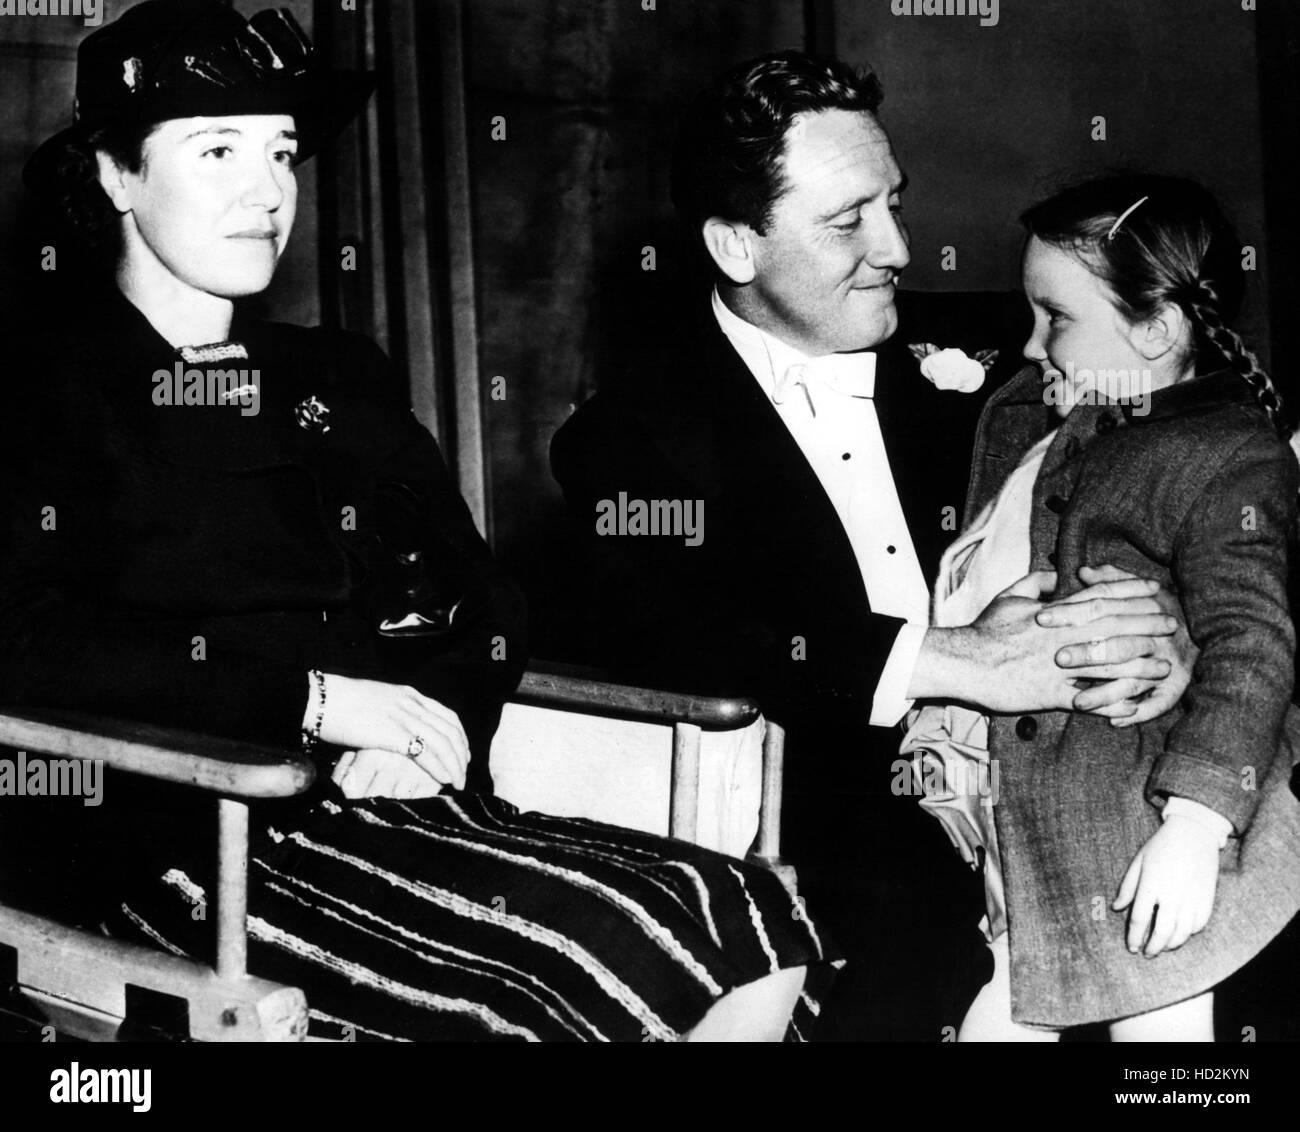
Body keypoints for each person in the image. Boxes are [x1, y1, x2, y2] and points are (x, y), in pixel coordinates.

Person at [0, 0, 838, 1042]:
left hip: (397, 809)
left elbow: (484, 601)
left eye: (283, 153)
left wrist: (430, 721)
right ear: (115, 176)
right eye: (217, 150)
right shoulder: (42, 389)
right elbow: (27, 645)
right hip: (190, 849)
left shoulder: (335, 377)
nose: (266, 192)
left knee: (741, 912)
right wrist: (310, 699)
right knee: (578, 973)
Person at [551, 51, 1196, 1040]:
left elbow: (1180, 470)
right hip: (830, 810)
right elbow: (685, 637)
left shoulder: (1000, 352)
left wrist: (1170, 629)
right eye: (849, 220)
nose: (897, 245)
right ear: (736, 246)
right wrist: (965, 661)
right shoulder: (630, 441)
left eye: (894, 202)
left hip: (1065, 761)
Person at [903, 173, 1300, 1041]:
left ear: (1156, 330)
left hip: (1148, 824)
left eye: (1056, 319)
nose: (1032, 345)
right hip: (1037, 827)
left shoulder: (1227, 456)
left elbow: (1254, 648)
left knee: (1165, 1059)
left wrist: (1196, 829)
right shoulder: (1074, 403)